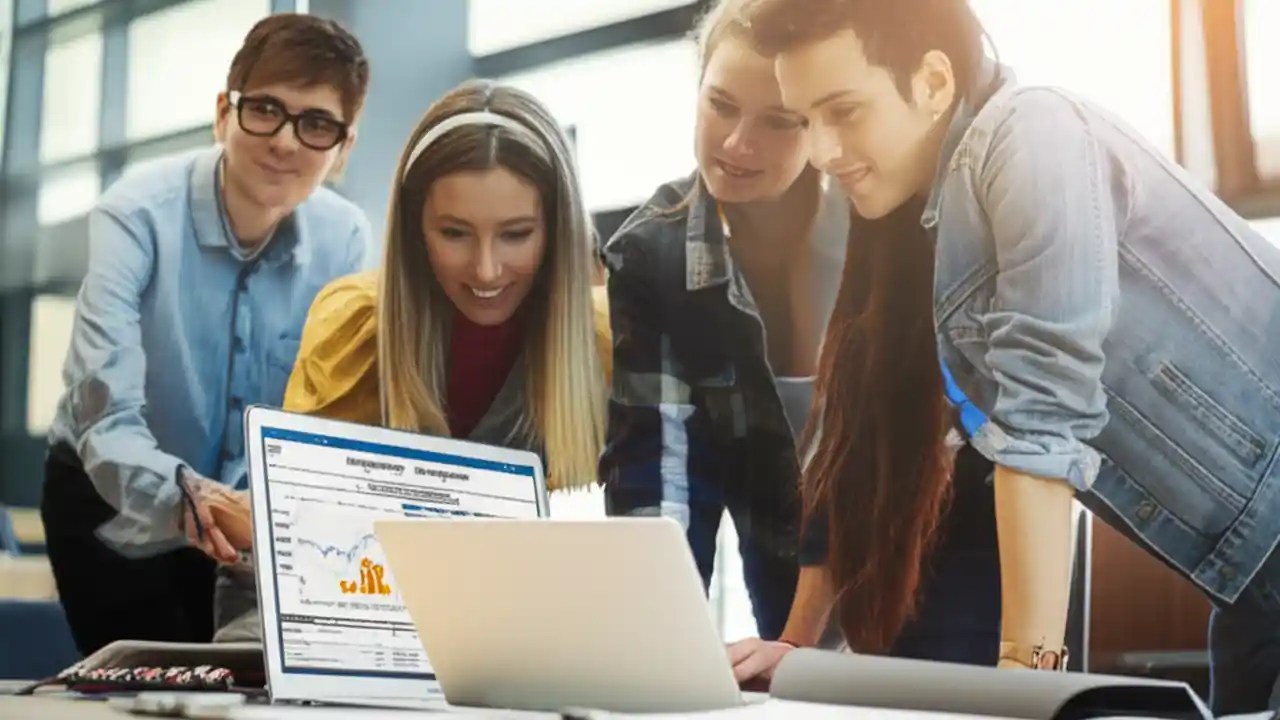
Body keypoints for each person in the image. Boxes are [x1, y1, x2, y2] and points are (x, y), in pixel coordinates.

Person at [741, 0, 1280, 713]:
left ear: (933, 82)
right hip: (1247, 585)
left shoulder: (1031, 134)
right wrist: (798, 651)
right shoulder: (923, 214)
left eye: (843, 111)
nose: (820, 151)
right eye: (806, 120)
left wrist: (1027, 682)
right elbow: (866, 434)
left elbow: (1040, 422)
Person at [600, 0, 1000, 663]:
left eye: (779, 121)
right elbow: (661, 476)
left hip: (941, 566)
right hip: (788, 587)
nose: (736, 144)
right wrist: (658, 655)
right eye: (720, 104)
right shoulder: (655, 258)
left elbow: (934, 434)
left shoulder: (893, 209)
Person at [206, 79, 612, 635]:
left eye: (516, 235)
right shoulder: (355, 327)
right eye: (454, 233)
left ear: (557, 232)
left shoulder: (606, 342)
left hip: (510, 632)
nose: (487, 270)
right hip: (338, 618)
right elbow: (300, 543)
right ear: (416, 229)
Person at [39, 13, 372, 655]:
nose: (284, 140)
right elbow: (105, 418)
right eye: (266, 109)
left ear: (342, 149)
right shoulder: (133, 213)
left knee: (244, 686)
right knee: (146, 678)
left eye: (316, 123)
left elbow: (329, 417)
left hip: (252, 519)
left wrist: (267, 513)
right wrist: (202, 500)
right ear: (224, 112)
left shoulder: (348, 240)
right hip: (111, 497)